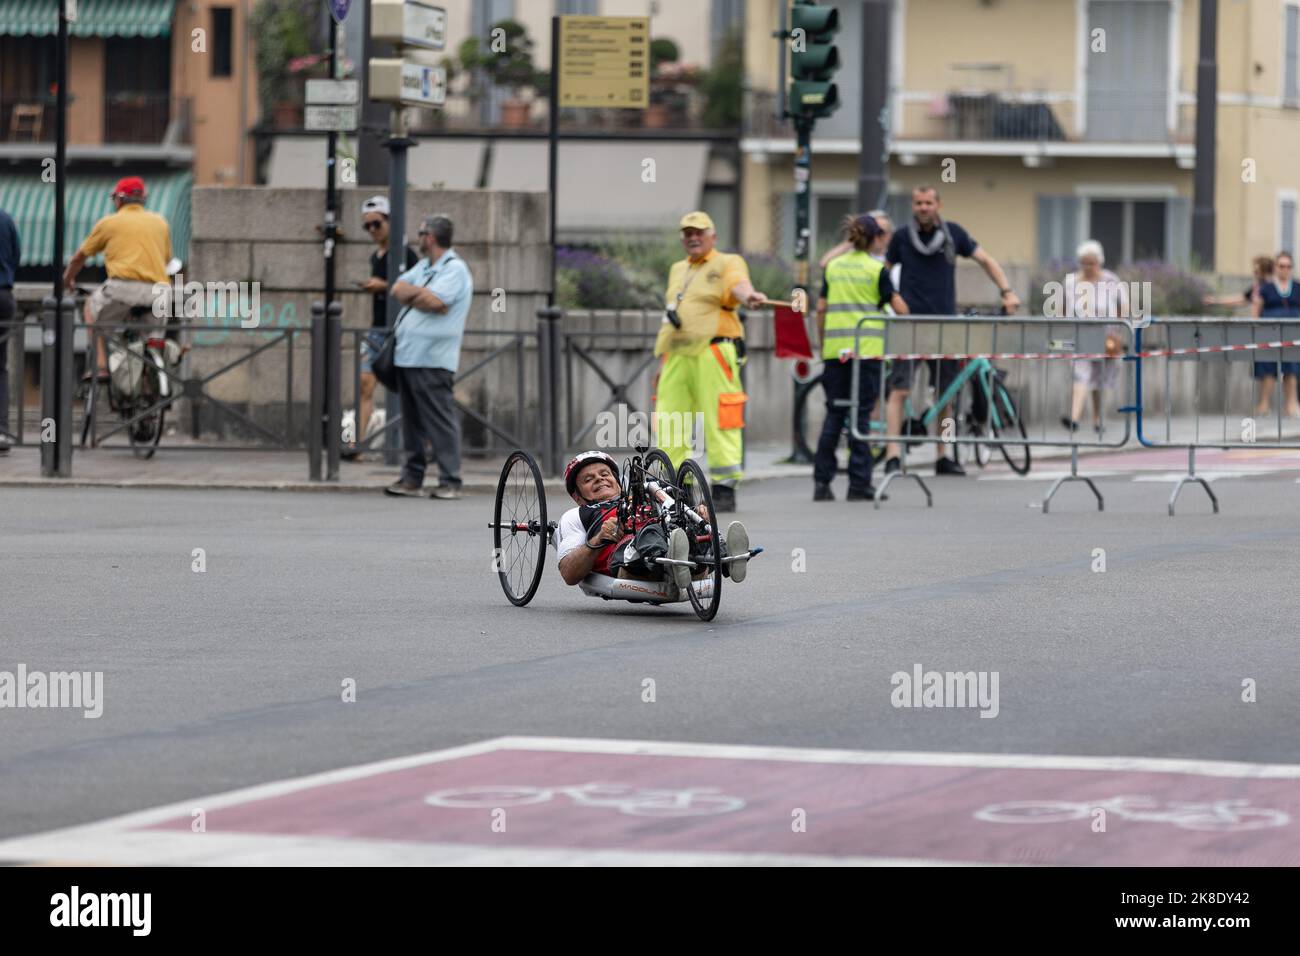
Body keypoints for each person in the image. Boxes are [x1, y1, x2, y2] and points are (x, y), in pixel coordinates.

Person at [885, 185, 1021, 476]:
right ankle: (893, 454)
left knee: (945, 395)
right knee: (900, 390)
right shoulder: (900, 239)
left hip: (946, 325)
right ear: (913, 205)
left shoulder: (954, 234)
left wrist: (1007, 291)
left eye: (929, 202)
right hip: (910, 325)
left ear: (939, 205)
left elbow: (985, 259)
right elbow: (883, 272)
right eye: (918, 203)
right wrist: (890, 298)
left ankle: (942, 455)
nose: (923, 208)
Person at [653, 212, 768, 513]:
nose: (693, 237)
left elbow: (738, 286)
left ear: (712, 237)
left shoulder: (727, 262)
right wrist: (664, 360)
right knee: (670, 419)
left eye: (699, 233)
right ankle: (678, 486)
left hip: (714, 351)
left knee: (721, 417)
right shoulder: (677, 268)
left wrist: (749, 296)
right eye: (687, 233)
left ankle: (724, 486)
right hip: (677, 353)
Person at [555, 450, 750, 594]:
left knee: (689, 526)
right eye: (588, 479)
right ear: (578, 496)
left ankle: (727, 559)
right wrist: (598, 539)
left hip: (670, 542)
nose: (599, 479)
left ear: (617, 480)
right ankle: (672, 561)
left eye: (604, 474)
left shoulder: (644, 494)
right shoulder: (578, 515)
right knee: (650, 531)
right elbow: (568, 573)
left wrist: (698, 517)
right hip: (627, 558)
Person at [813, 214, 910, 501]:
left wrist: (822, 344)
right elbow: (900, 308)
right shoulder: (875, 269)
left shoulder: (834, 267)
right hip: (866, 353)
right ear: (875, 238)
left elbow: (820, 309)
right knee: (861, 416)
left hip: (835, 353)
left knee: (835, 413)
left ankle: (822, 484)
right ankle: (858, 484)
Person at [384, 215, 473, 498]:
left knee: (439, 420)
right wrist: (419, 295)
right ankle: (412, 478)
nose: (418, 237)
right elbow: (397, 289)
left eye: (421, 232)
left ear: (431, 237)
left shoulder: (455, 269)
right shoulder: (424, 266)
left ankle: (450, 480)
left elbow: (437, 302)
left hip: (434, 358)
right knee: (411, 422)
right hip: (408, 356)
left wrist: (420, 296)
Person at [62, 177, 171, 378]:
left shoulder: (109, 223)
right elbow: (166, 260)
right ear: (143, 199)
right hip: (159, 292)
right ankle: (153, 376)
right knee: (153, 339)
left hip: (122, 290)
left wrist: (67, 280)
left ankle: (101, 367)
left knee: (91, 311)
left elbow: (79, 257)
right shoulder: (160, 223)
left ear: (119, 200)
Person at [343, 196, 418, 462]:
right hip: (377, 330)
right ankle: (359, 445)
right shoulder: (376, 255)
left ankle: (421, 446)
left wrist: (383, 286)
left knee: (411, 388)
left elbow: (415, 290)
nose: (372, 231)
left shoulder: (406, 253)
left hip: (402, 330)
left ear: (389, 222)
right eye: (367, 227)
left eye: (376, 224)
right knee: (365, 384)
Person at [1060, 240, 1128, 435]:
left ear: (1099, 262)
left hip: (1106, 337)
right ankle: (1074, 418)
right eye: (1084, 262)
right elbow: (1063, 307)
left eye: (1092, 263)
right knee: (1080, 376)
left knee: (1100, 380)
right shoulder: (1071, 282)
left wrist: (1119, 331)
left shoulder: (1110, 281)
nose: (1088, 267)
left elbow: (1123, 306)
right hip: (1080, 336)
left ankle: (1098, 418)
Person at [1251, 250, 1300, 419]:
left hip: (1293, 335)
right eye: (1281, 266)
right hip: (1268, 334)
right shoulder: (1266, 288)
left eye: (1288, 266)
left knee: (1292, 369)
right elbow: (1256, 309)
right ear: (1275, 267)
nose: (1284, 269)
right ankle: (1263, 405)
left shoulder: (1298, 287)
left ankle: (1291, 404)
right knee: (1268, 369)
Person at [0, 205, 19, 456]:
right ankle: (1, 430)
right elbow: (16, 256)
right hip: (3, 296)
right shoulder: (5, 218)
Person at [1204, 255, 1272, 311]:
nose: (1254, 274)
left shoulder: (1268, 288)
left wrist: (1215, 301)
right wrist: (1215, 301)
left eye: (1256, 272)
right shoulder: (1257, 287)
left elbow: (1241, 300)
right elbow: (1241, 299)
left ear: (1265, 273)